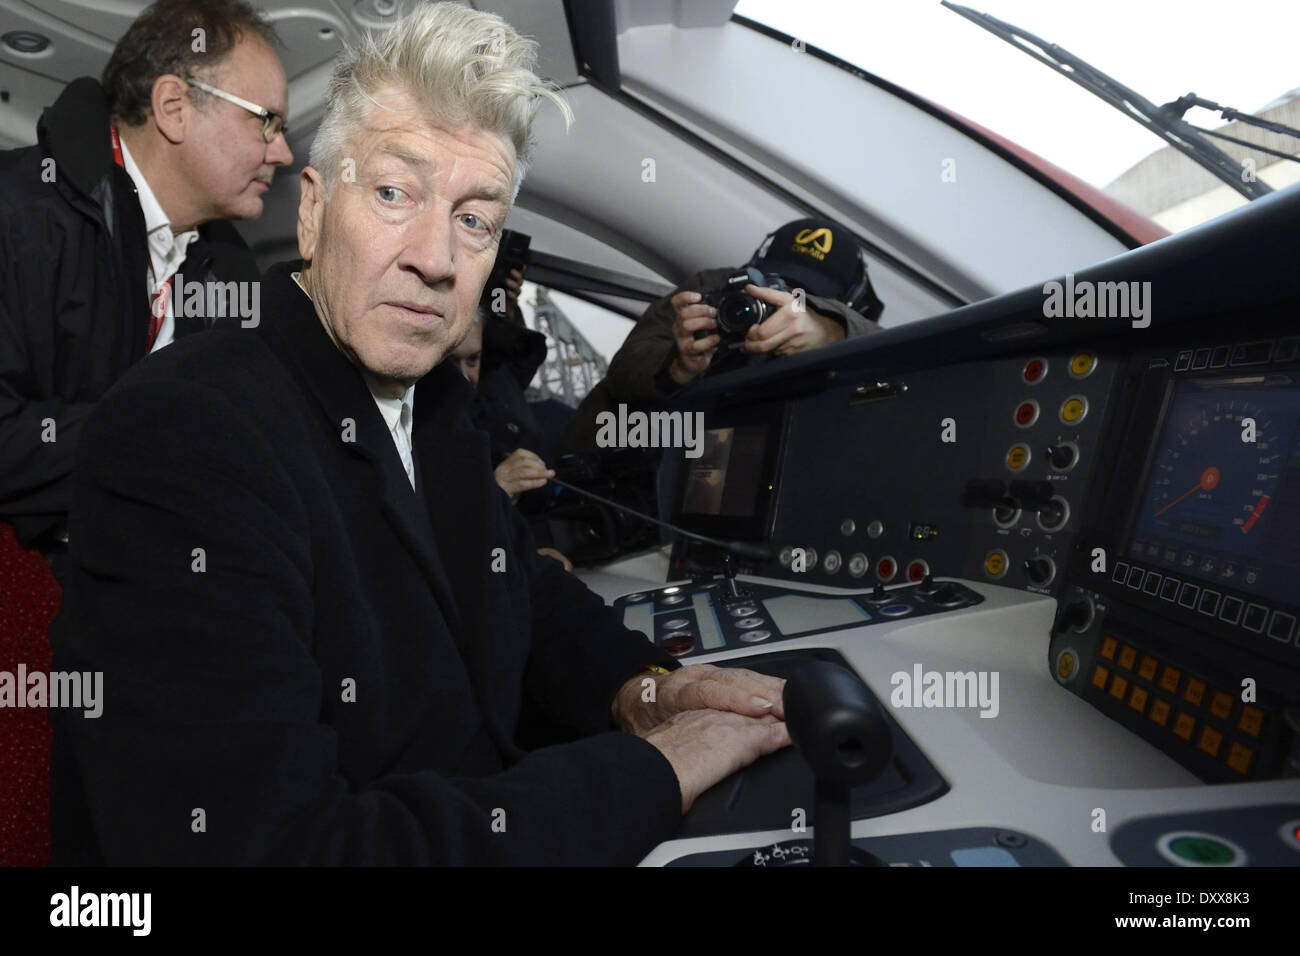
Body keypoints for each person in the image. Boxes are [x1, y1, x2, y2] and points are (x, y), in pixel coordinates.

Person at [50, 2, 789, 866]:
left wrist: (644, 691)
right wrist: (648, 775)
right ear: (315, 212)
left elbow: (520, 600)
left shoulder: (428, 403)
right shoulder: (182, 434)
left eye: (474, 219)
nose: (436, 257)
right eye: (395, 193)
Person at [0, 0, 291, 866]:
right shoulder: (19, 214)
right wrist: (159, 448)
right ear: (174, 107)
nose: (282, 150)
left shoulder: (228, 269)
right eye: (266, 122)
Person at [561, 217, 884, 461]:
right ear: (756, 268)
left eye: (801, 293)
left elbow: (895, 355)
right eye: (773, 281)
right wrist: (677, 367)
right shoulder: (712, 288)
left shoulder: (840, 323)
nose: (777, 300)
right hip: (631, 468)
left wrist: (828, 331)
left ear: (846, 301)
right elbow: (625, 372)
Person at [450, 316, 572, 570]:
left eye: (473, 360)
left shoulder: (497, 384)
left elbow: (525, 350)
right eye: (447, 362)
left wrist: (528, 553)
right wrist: (496, 492)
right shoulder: (408, 436)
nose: (463, 377)